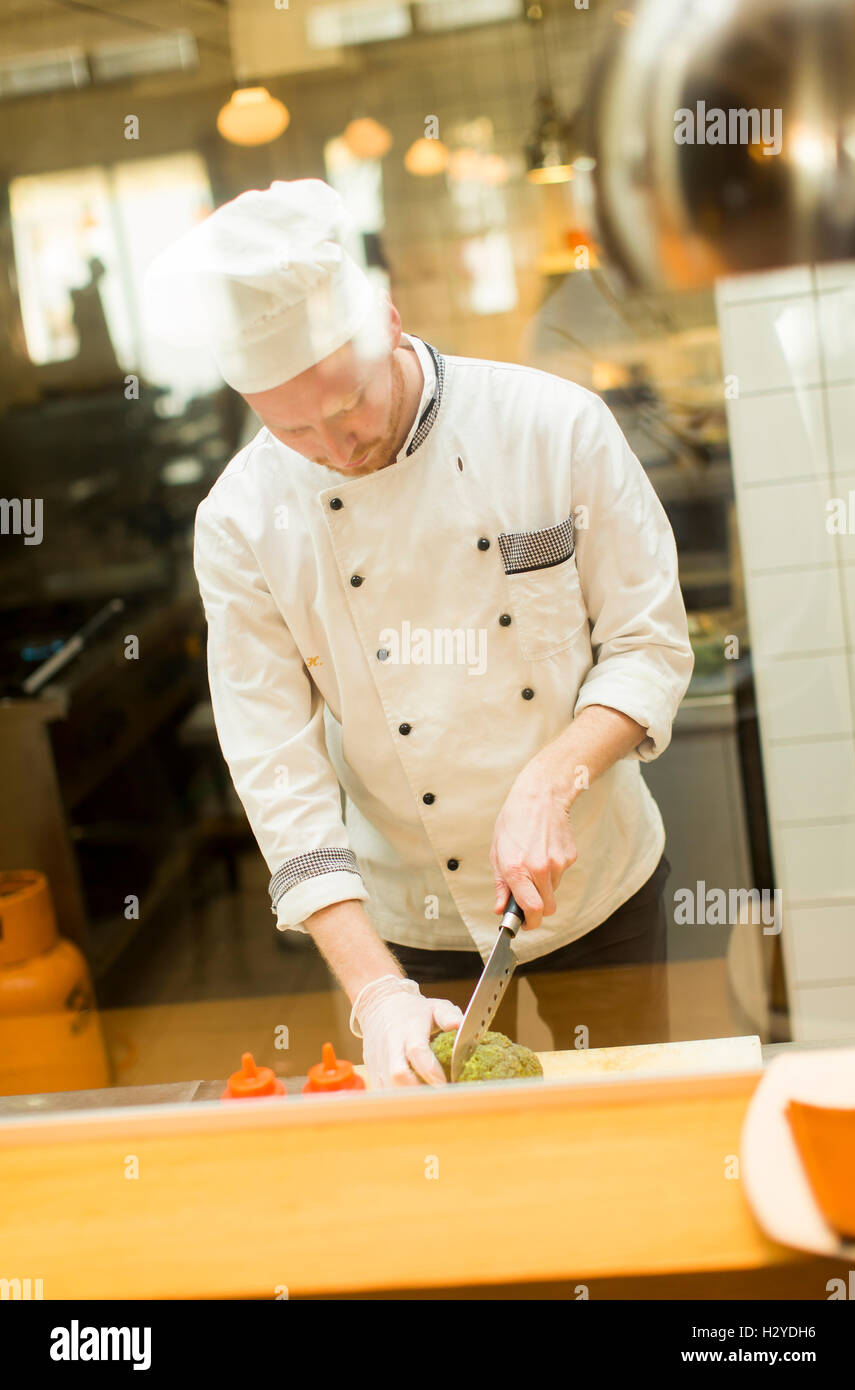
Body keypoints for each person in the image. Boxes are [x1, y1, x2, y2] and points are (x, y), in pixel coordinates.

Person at [144, 179, 694, 1090]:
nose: (335, 444)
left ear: (387, 322)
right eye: (291, 428)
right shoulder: (240, 522)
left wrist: (552, 777)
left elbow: (649, 644)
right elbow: (279, 771)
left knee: (625, 1134)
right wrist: (376, 993)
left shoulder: (550, 426)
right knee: (447, 1178)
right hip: (409, 917)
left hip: (599, 885)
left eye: (349, 402)